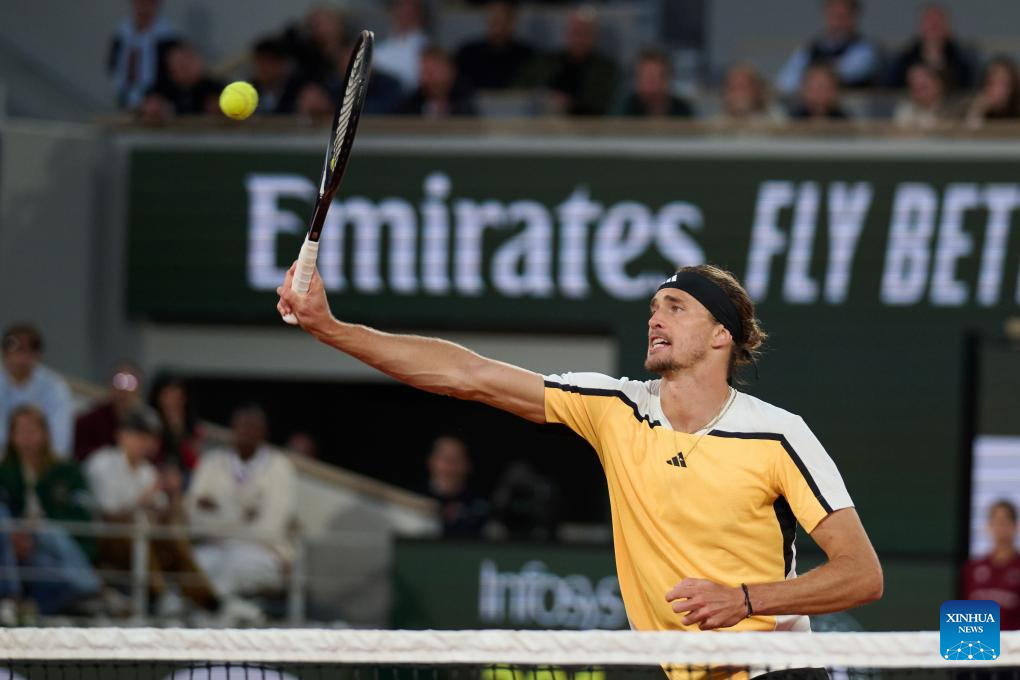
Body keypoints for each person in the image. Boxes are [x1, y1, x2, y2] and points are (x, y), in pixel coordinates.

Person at [277, 262, 883, 633]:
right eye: (653, 307)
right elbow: (469, 375)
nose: (655, 317)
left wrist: (745, 599)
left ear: (722, 334)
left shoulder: (778, 435)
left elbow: (862, 576)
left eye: (676, 306)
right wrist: (333, 329)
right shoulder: (616, 408)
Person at [86, 409, 220, 614]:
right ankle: (162, 596)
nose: (145, 442)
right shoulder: (102, 463)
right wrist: (142, 501)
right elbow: (109, 518)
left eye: (148, 436)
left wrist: (174, 494)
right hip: (107, 539)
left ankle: (210, 603)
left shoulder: (148, 471)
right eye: (139, 435)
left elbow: (163, 518)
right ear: (121, 434)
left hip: (141, 536)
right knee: (137, 537)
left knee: (172, 537)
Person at [185, 404, 297, 602]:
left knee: (235, 568)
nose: (245, 432)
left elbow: (271, 528)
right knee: (193, 566)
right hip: (215, 547)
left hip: (263, 551)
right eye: (241, 426)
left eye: (252, 427)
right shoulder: (211, 462)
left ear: (264, 432)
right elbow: (193, 517)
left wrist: (219, 512)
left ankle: (214, 612)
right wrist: (241, 515)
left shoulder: (280, 466)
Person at [0, 405, 101, 618]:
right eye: (21, 431)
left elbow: (82, 516)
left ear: (45, 433)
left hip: (63, 545)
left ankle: (86, 586)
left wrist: (36, 530)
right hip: (20, 552)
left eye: (32, 430)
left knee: (47, 532)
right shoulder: (4, 472)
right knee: (41, 565)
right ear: (11, 436)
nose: (27, 438)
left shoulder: (67, 471)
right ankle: (91, 587)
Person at [776, 0, 879, 97]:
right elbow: (785, 82)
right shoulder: (810, 49)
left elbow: (850, 72)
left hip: (852, 110)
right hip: (809, 111)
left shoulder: (866, 49)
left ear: (854, 17)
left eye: (842, 16)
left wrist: (816, 79)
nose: (837, 22)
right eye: (833, 15)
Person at [0, 324, 73, 460]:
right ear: (3, 352)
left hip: (42, 466)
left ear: (38, 355)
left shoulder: (55, 388)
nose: (22, 355)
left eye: (29, 348)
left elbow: (60, 443)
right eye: (15, 346)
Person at [544, 6, 619, 116]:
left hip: (591, 127)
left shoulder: (606, 69)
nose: (579, 38)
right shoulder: (549, 62)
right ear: (567, 32)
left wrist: (569, 104)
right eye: (576, 31)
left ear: (594, 35)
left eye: (585, 32)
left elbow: (602, 105)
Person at [107, 0, 179, 110]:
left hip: (155, 104)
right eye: (139, 2)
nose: (142, 7)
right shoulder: (122, 34)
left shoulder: (168, 38)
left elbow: (174, 75)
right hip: (124, 98)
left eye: (147, 3)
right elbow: (112, 65)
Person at [886, 4, 974, 92]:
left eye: (937, 24)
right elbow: (892, 89)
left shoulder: (961, 59)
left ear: (947, 27)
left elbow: (966, 89)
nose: (933, 28)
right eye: (929, 24)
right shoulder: (906, 59)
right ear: (921, 27)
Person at [961, 500, 1020, 630]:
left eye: (1005, 522)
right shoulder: (973, 568)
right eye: (996, 522)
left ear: (1015, 526)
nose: (1000, 528)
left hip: (1014, 646)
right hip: (979, 645)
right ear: (989, 526)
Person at [455, 1, 535, 91]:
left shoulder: (528, 55)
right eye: (494, 19)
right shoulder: (468, 53)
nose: (498, 26)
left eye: (503, 20)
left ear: (512, 22)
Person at [75, 361, 146, 461]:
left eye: (130, 383)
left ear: (139, 388)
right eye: (119, 381)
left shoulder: (146, 423)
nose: (124, 390)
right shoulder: (90, 421)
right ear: (110, 384)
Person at [423, 436, 489, 539]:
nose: (450, 465)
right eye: (444, 458)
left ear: (468, 465)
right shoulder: (413, 496)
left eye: (457, 458)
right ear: (431, 461)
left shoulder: (482, 504)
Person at [139, 42, 224, 120]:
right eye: (180, 65)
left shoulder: (216, 89)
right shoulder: (158, 91)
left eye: (189, 62)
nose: (186, 68)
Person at [397, 46, 478, 118]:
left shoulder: (470, 103)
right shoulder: (407, 107)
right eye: (423, 72)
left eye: (431, 73)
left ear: (450, 71)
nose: (426, 79)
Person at [149, 375, 204, 476]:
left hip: (185, 476)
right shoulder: (150, 423)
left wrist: (178, 429)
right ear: (159, 397)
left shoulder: (193, 428)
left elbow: (194, 463)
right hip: (155, 473)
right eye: (167, 395)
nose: (172, 402)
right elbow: (150, 455)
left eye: (177, 397)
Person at [373, 0, 430, 93]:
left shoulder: (425, 47)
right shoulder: (379, 49)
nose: (405, 13)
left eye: (410, 9)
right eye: (400, 7)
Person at [620, 48, 693, 118]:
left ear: (667, 78)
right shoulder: (626, 108)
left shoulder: (682, 110)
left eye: (655, 78)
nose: (650, 84)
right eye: (646, 77)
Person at [717, 64, 786, 125]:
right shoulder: (715, 126)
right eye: (732, 88)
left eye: (742, 87)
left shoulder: (777, 124)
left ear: (757, 90)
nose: (736, 94)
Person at [251, 37, 304, 115]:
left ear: (283, 64)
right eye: (259, 59)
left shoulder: (300, 91)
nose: (263, 66)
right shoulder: (250, 89)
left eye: (269, 60)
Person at [966, 56, 1020, 127]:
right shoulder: (974, 104)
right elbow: (968, 133)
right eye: (991, 83)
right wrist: (977, 110)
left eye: (1003, 83)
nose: (997, 89)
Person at [893, 64, 949, 130]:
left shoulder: (952, 107)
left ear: (938, 85)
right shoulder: (905, 111)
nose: (922, 93)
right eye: (916, 88)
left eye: (925, 87)